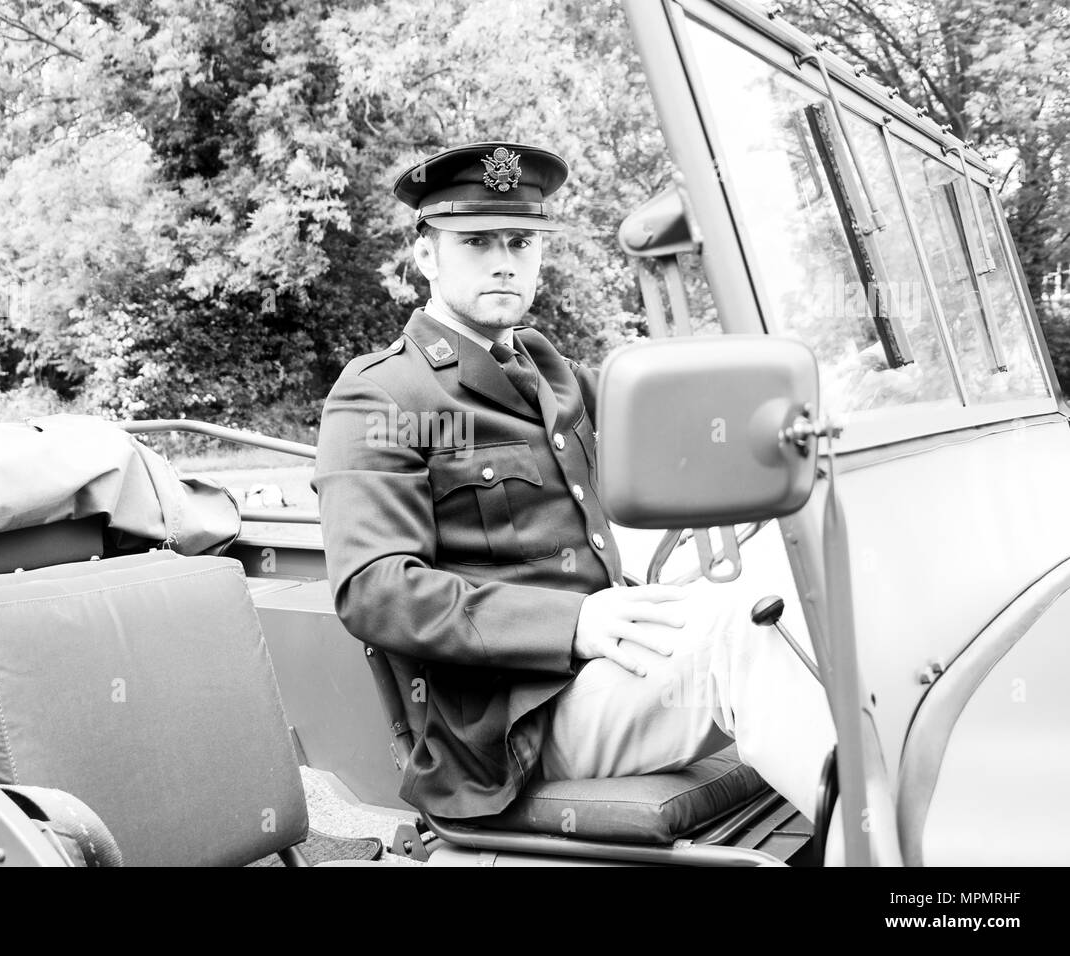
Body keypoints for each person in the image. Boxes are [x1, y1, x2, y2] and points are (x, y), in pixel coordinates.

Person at [312, 141, 835, 824]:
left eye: (521, 240)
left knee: (796, 581)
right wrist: (575, 622)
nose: (504, 260)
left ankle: (885, 803)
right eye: (475, 242)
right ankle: (886, 848)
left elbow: (673, 432)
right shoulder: (384, 396)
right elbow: (375, 591)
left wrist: (787, 420)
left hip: (608, 663)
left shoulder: (549, 370)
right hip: (518, 720)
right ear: (425, 255)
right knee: (743, 634)